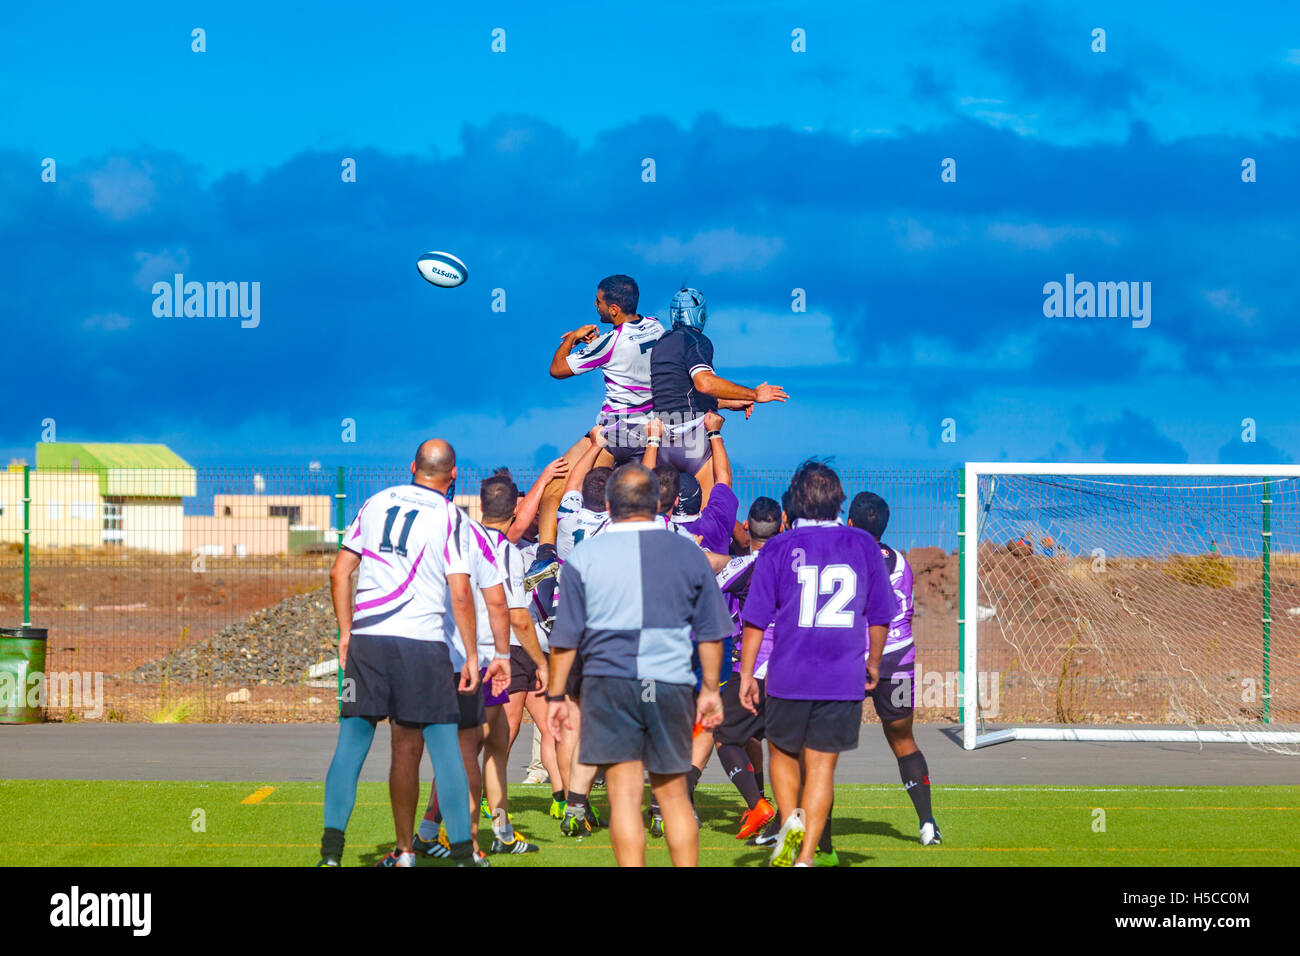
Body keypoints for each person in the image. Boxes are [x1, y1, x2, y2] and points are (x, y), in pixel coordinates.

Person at [546, 463, 732, 866]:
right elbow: (713, 630)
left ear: (610, 504)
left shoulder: (585, 555)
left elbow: (565, 636)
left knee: (624, 797)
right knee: (672, 797)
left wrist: (557, 694)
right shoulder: (688, 551)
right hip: (669, 682)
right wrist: (712, 689)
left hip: (609, 683)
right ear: (657, 503)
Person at [317, 439, 484, 867]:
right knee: (444, 748)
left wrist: (346, 631)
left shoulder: (375, 502)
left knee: (350, 745)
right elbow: (461, 593)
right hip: (422, 645)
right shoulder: (450, 515)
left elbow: (340, 571)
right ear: (454, 476)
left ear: (412, 467)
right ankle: (463, 857)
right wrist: (469, 654)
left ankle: (331, 856)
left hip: (369, 642)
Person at [739, 461, 897, 867]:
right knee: (822, 768)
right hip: (841, 675)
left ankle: (790, 823)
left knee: (782, 756)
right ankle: (806, 858)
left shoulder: (777, 547)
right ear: (838, 500)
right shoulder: (863, 545)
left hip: (789, 673)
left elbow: (755, 618)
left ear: (794, 501)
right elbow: (881, 614)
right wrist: (874, 662)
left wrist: (746, 675)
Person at [414, 475, 547, 858]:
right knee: (473, 748)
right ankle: (460, 840)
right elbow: (519, 617)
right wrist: (542, 663)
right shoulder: (504, 553)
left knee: (494, 743)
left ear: (481, 505)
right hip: (486, 662)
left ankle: (499, 829)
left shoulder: (459, 538)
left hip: (455, 658)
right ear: (517, 510)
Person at [526, 276, 664, 590]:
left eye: (599, 301)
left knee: (558, 480)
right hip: (651, 427)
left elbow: (557, 370)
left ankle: (546, 555)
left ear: (614, 309)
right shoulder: (656, 327)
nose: (595, 305)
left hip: (616, 432)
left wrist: (572, 339)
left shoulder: (608, 343)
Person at [847, 491, 942, 847]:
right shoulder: (901, 561)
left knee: (821, 744)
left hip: (856, 662)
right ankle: (928, 823)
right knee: (903, 740)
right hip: (898, 660)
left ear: (850, 523)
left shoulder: (847, 559)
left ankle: (804, 828)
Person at [648, 286, 788, 500]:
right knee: (713, 511)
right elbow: (704, 383)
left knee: (664, 516)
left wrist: (730, 401)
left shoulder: (661, 345)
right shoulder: (696, 340)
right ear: (700, 315)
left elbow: (681, 396)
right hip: (693, 438)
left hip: (663, 440)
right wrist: (753, 394)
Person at [712, 497, 783, 841]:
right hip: (797, 667)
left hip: (754, 669)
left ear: (745, 528)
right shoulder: (795, 564)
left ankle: (758, 805)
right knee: (783, 747)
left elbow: (709, 589)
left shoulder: (741, 567)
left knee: (724, 735)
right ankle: (777, 816)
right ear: (783, 525)